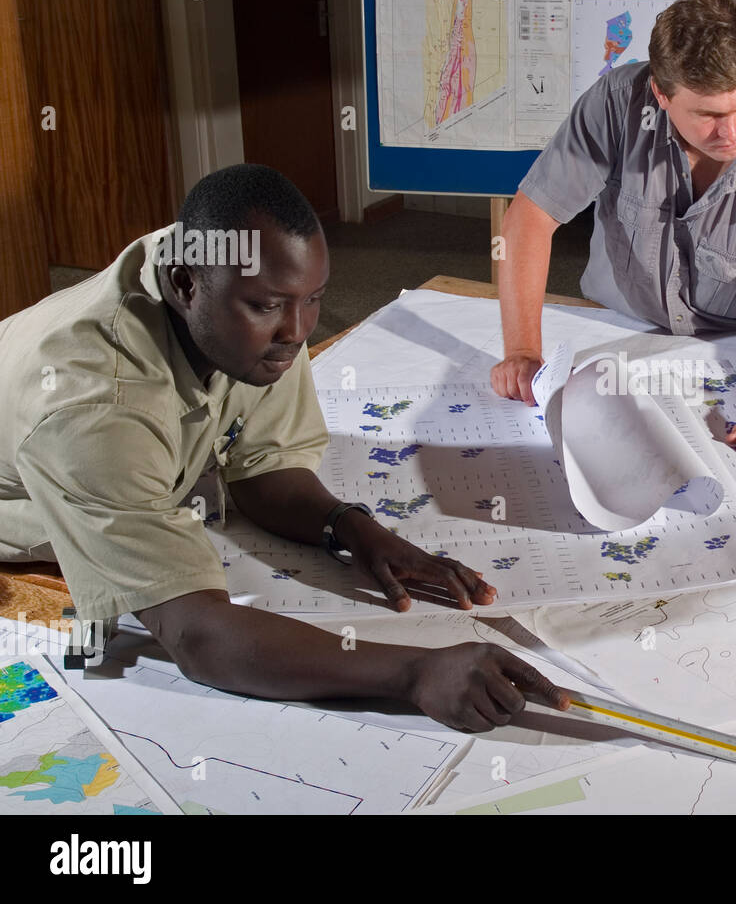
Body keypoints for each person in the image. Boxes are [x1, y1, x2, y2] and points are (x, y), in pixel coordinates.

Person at [0, 164, 567, 733]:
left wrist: (353, 530)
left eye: (314, 298)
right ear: (183, 284)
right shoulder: (96, 409)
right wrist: (414, 672)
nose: (297, 331)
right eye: (269, 306)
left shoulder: (227, 273)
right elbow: (196, 636)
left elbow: (261, 464)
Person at [490, 0, 736, 468]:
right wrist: (524, 350)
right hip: (614, 328)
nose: (732, 132)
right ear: (661, 93)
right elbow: (530, 217)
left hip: (735, 344)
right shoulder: (616, 104)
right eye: (709, 115)